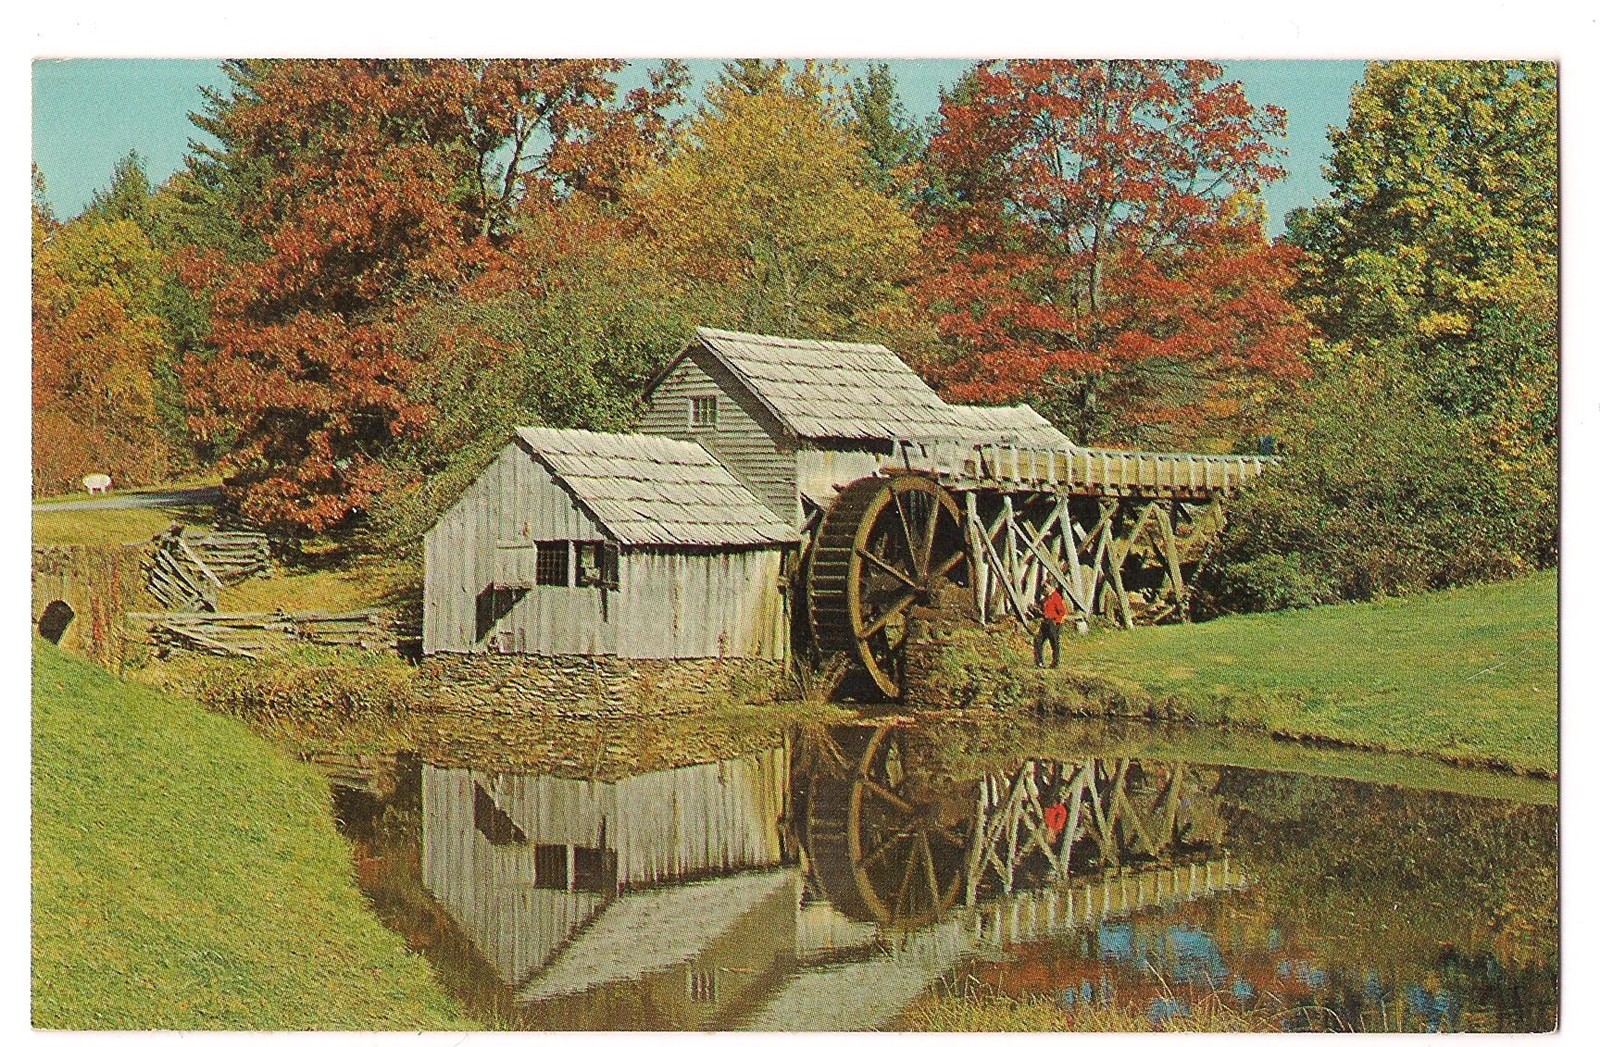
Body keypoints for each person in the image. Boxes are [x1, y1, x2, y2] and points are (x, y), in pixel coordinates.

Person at [1034, 584, 1068, 669]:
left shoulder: (1056, 598)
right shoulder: (1045, 599)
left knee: (1054, 643)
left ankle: (1055, 663)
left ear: (1051, 588)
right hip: (1045, 622)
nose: (1044, 590)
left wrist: (1056, 622)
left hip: (1053, 622)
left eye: (1046, 587)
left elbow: (1063, 612)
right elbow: (1043, 610)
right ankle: (1039, 662)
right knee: (1038, 640)